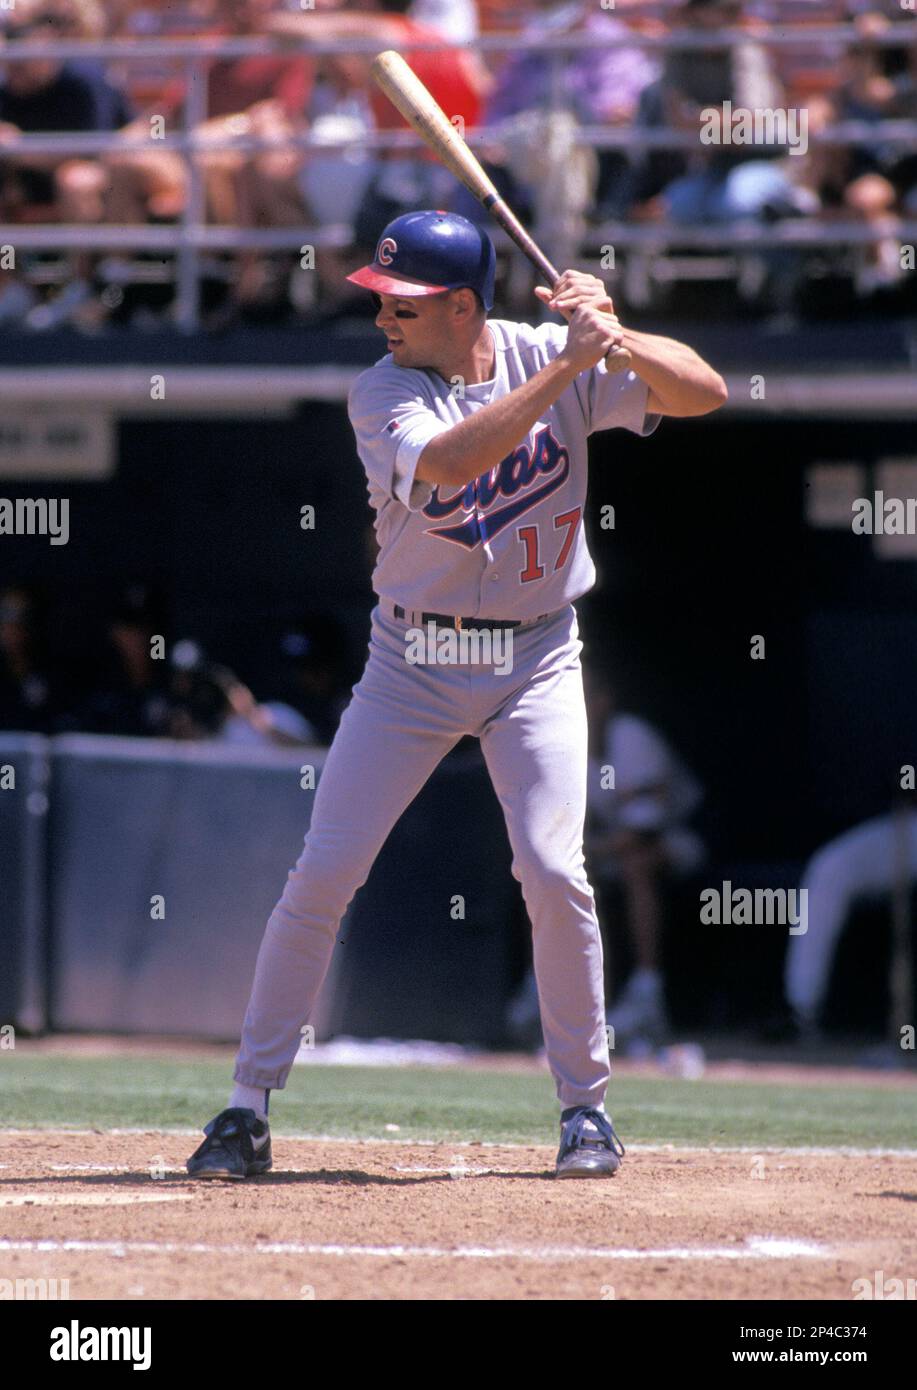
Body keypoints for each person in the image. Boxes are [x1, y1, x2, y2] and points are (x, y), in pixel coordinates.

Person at [185, 209, 726, 1183]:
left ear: (463, 304)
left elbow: (704, 394)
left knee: (552, 868)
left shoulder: (535, 347)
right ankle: (244, 1106)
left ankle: (585, 1110)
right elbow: (445, 464)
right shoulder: (382, 388)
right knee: (323, 872)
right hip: (410, 661)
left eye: (405, 301)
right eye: (381, 298)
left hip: (536, 655)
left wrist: (617, 332)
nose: (384, 314)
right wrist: (568, 369)